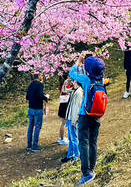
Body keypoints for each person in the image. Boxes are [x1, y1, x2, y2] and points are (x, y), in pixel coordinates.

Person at [69, 54, 107, 186]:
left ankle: (86, 174)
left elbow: (72, 73)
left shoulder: (86, 80)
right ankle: (92, 169)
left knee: (83, 143)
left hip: (85, 115)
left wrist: (78, 62)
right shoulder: (101, 81)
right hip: (97, 116)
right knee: (93, 143)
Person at [61, 79, 83, 164]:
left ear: (77, 82)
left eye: (74, 81)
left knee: (74, 138)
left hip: (73, 119)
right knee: (71, 138)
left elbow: (77, 108)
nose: (72, 83)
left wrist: (74, 120)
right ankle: (70, 155)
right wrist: (65, 83)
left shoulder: (79, 93)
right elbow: (64, 91)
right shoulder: (75, 91)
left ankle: (77, 157)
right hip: (70, 118)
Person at [25, 73, 49, 151]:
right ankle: (35, 146)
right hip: (38, 109)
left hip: (30, 108)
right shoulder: (39, 85)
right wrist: (46, 97)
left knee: (30, 126)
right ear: (39, 77)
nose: (42, 77)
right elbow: (40, 95)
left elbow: (27, 97)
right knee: (38, 127)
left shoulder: (30, 85)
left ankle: (29, 145)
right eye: (41, 76)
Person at [57, 76, 73, 145]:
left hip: (63, 105)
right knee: (64, 123)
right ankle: (62, 138)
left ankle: (62, 137)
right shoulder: (65, 85)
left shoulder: (63, 85)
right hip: (65, 106)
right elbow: (66, 91)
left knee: (63, 123)